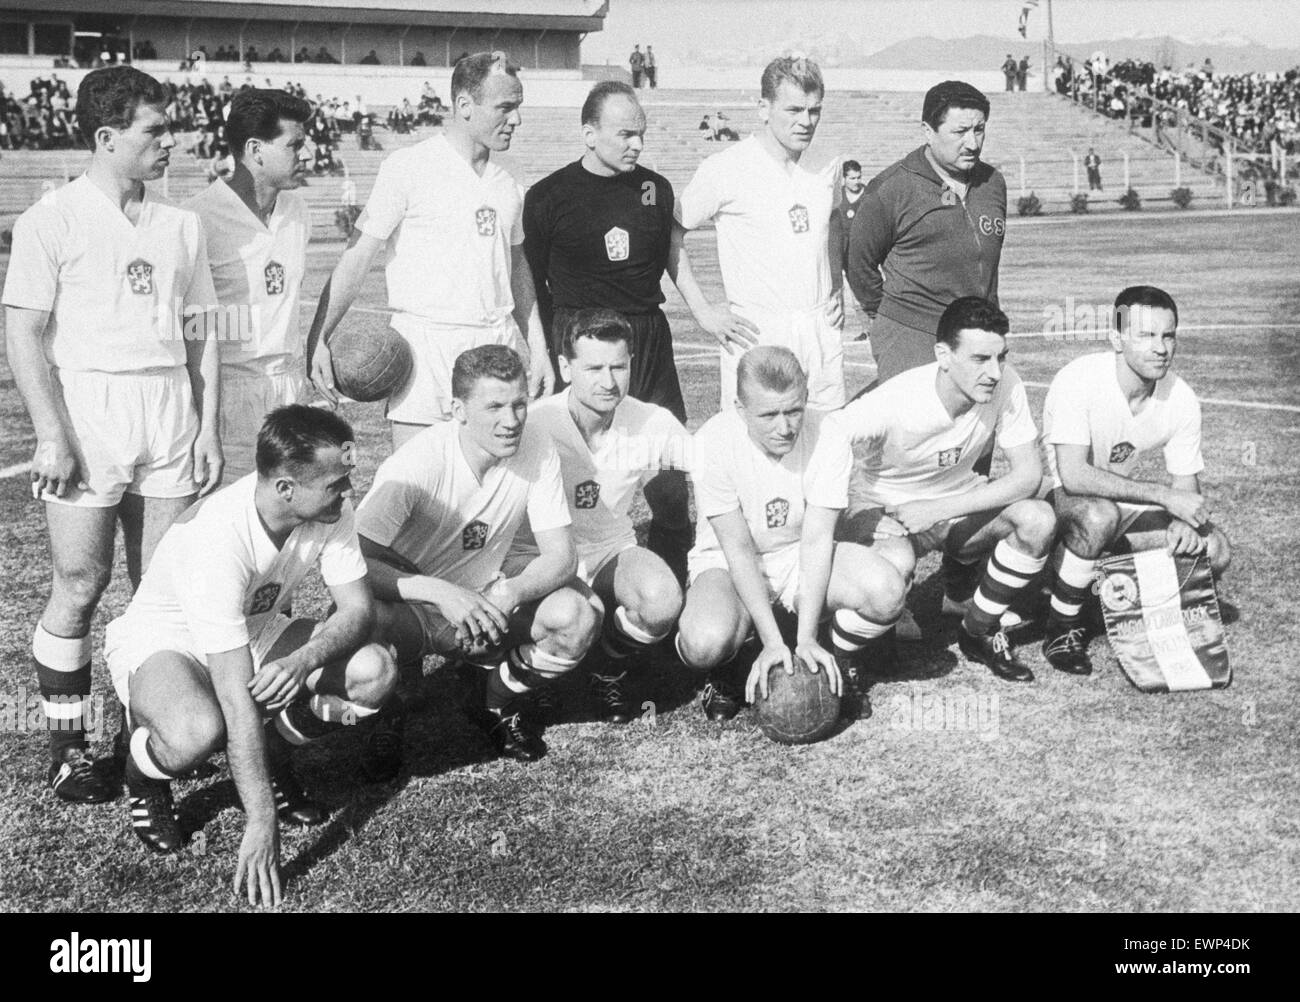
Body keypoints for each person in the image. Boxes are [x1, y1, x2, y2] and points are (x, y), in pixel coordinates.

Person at [2, 66, 223, 804]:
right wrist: (49, 433)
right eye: (155, 131)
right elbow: (24, 333)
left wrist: (208, 425)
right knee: (79, 582)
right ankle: (67, 747)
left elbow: (203, 333)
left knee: (162, 589)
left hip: (167, 408)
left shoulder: (181, 223)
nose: (172, 143)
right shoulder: (51, 219)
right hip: (88, 411)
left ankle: (146, 731)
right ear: (105, 137)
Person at [104, 406, 396, 904]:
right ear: (285, 487)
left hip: (255, 631)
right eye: (335, 484)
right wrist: (261, 821)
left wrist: (302, 660)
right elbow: (237, 700)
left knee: (375, 669)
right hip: (166, 640)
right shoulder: (218, 540)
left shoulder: (330, 508)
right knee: (203, 730)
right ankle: (141, 771)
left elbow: (357, 611)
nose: (348, 493)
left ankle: (276, 750)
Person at [357, 346, 600, 767]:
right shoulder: (416, 463)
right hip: (413, 608)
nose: (511, 422)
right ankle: (388, 715)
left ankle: (494, 700)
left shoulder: (536, 443)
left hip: (486, 600)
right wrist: (440, 594)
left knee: (579, 614)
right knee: (362, 619)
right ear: (458, 409)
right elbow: (350, 566)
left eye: (519, 405)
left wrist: (508, 595)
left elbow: (561, 555)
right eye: (494, 407)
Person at [804, 297, 1055, 684]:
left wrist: (938, 508)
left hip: (949, 501)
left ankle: (979, 632)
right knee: (895, 568)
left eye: (1000, 357)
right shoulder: (899, 399)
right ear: (943, 355)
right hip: (882, 502)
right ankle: (845, 654)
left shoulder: (1008, 382)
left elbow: (1028, 477)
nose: (993, 371)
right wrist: (849, 511)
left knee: (1037, 520)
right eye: (979, 359)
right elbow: (833, 430)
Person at [307, 52, 551, 447]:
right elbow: (356, 259)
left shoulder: (513, 175)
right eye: (505, 107)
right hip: (426, 350)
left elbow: (517, 264)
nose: (517, 119)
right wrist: (319, 335)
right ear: (464, 106)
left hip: (496, 344)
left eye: (518, 107)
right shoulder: (408, 167)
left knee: (501, 487)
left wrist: (537, 346)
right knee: (422, 490)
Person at [523, 81, 691, 583]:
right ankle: (559, 573)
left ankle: (670, 571)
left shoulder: (654, 188)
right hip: (580, 340)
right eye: (625, 134)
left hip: (645, 339)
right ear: (589, 133)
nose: (636, 144)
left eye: (641, 134)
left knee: (668, 471)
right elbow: (528, 281)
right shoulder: (549, 195)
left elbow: (672, 259)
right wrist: (541, 348)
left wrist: (707, 313)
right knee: (564, 467)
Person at [505, 311, 688, 722]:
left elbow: (716, 463)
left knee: (662, 600)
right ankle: (535, 672)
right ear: (565, 367)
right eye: (593, 368)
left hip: (609, 551)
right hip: (541, 560)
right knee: (571, 616)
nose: (608, 381)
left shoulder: (650, 420)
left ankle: (607, 664)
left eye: (618, 366)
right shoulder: (535, 424)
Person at [1039, 286, 1231, 676]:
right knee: (1097, 517)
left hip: (1112, 504)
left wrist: (1183, 521)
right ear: (1116, 339)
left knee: (1213, 549)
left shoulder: (1181, 397)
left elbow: (1186, 485)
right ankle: (1060, 629)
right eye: (1145, 335)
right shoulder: (1079, 379)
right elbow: (1074, 475)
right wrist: (1163, 497)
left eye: (1168, 335)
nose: (1160, 348)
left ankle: (1107, 601)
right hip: (1055, 502)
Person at [676, 346, 844, 720]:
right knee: (704, 642)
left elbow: (817, 540)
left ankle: (835, 655)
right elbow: (736, 547)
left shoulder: (830, 432)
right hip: (726, 558)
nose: (785, 427)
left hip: (796, 552)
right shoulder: (711, 442)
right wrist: (771, 642)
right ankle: (731, 663)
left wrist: (806, 638)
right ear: (740, 409)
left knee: (879, 588)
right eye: (769, 415)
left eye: (794, 410)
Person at [674, 55, 845, 412]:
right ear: (763, 108)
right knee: (755, 449)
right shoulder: (724, 168)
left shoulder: (830, 163)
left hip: (818, 326)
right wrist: (704, 312)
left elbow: (834, 223)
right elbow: (671, 234)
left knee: (827, 441)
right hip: (758, 331)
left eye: (815, 111)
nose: (806, 121)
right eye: (794, 110)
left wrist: (836, 289)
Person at [185, 89, 313, 480]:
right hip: (230, 392)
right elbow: (190, 325)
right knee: (231, 525)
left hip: (291, 386)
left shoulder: (298, 211)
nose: (307, 155)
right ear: (256, 150)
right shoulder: (198, 218)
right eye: (295, 145)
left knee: (299, 522)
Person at [847, 81, 1007, 385]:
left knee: (975, 430)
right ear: (928, 131)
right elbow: (858, 263)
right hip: (911, 338)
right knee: (915, 428)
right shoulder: (892, 188)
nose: (973, 143)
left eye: (979, 129)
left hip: (977, 337)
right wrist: (895, 316)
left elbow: (989, 267)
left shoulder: (993, 183)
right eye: (960, 132)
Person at [828, 159, 866, 338]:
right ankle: (840, 328)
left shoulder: (869, 195)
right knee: (840, 291)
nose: (856, 182)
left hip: (861, 251)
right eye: (851, 178)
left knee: (862, 292)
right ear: (843, 179)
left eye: (858, 178)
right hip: (840, 248)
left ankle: (871, 329)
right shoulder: (838, 196)